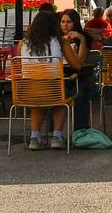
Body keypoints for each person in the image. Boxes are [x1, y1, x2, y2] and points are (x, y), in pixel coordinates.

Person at [19, 10, 82, 149]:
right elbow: (77, 65)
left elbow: (20, 66)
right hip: (54, 90)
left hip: (28, 91)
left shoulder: (23, 43)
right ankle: (56, 136)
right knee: (61, 96)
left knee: (39, 98)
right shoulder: (60, 42)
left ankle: (34, 138)